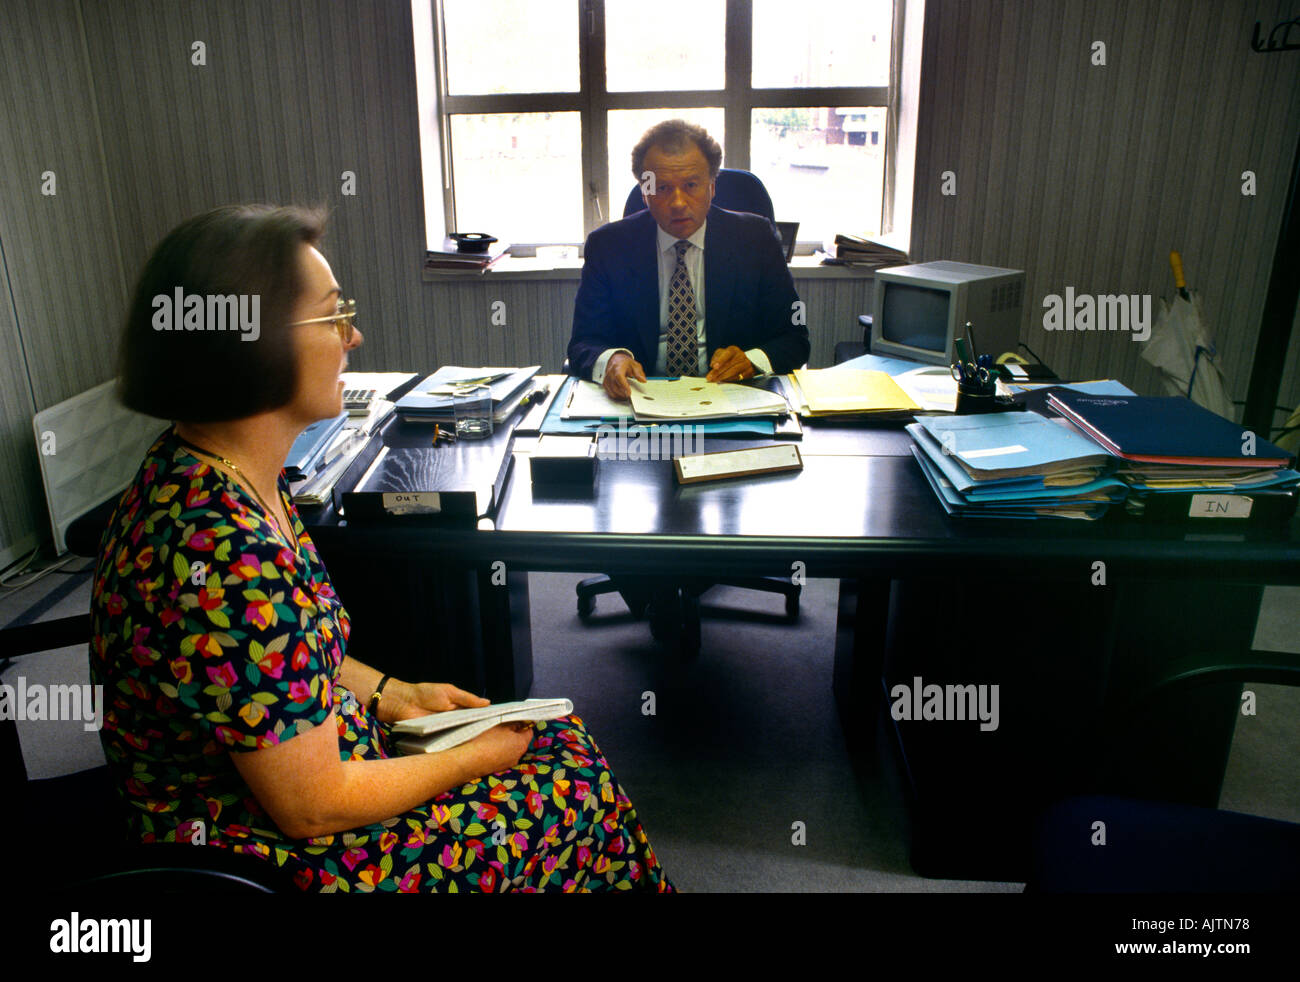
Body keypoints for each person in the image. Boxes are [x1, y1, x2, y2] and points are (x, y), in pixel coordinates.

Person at [90, 204, 673, 893]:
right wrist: (469, 761)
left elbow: (297, 658)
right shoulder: (218, 548)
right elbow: (314, 806)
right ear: (253, 344)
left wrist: (396, 693)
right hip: (250, 857)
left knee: (561, 745)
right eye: (333, 316)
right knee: (566, 788)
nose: (354, 335)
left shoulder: (228, 475)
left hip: (299, 772)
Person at [568, 118, 810, 400]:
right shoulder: (608, 246)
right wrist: (611, 360)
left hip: (731, 398)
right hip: (640, 401)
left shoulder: (756, 239)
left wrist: (752, 360)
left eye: (692, 185)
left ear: (712, 186)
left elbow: (795, 337)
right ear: (645, 193)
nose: (679, 203)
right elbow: (583, 342)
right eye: (662, 188)